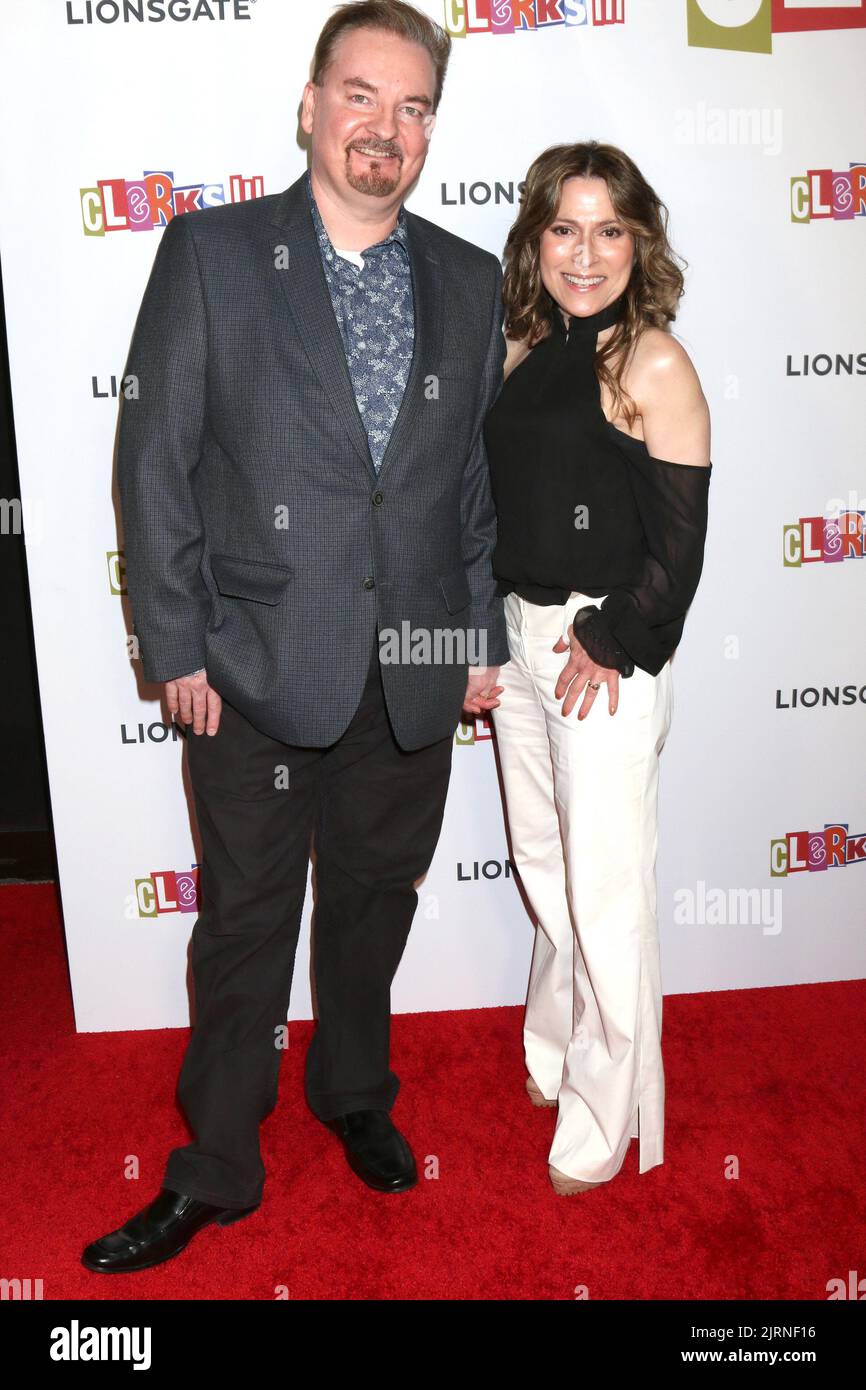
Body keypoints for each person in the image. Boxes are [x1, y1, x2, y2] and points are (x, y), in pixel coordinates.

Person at [83, 0, 506, 1275]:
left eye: (413, 106)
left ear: (431, 128)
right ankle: (216, 1162)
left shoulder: (470, 276)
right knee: (248, 921)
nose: (386, 127)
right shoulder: (212, 255)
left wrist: (476, 635)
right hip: (255, 666)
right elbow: (151, 459)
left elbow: (468, 483)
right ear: (312, 107)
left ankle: (355, 1092)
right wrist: (176, 644)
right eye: (362, 96)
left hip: (419, 666)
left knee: (374, 904)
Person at [484, 142, 711, 1196]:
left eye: (608, 228)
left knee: (605, 892)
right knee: (544, 870)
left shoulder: (651, 361)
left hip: (599, 656)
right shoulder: (525, 345)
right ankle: (550, 1047)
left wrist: (610, 640)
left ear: (638, 241)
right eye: (564, 228)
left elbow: (678, 549)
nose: (585, 252)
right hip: (520, 644)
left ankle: (602, 1117)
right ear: (536, 238)